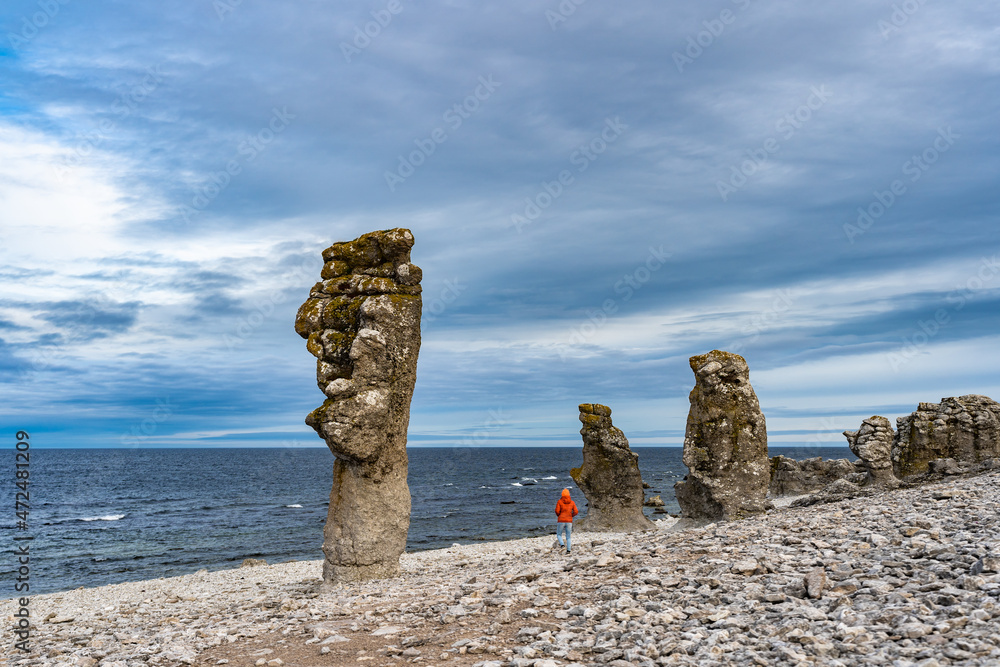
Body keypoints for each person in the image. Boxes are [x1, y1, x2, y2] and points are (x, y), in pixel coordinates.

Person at [554, 488, 578, 553]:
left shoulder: (559, 501)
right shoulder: (572, 502)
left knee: (559, 534)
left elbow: (557, 511)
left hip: (561, 520)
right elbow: (576, 511)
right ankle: (569, 550)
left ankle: (562, 545)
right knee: (568, 536)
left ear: (562, 494)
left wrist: (559, 515)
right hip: (569, 521)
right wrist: (571, 516)